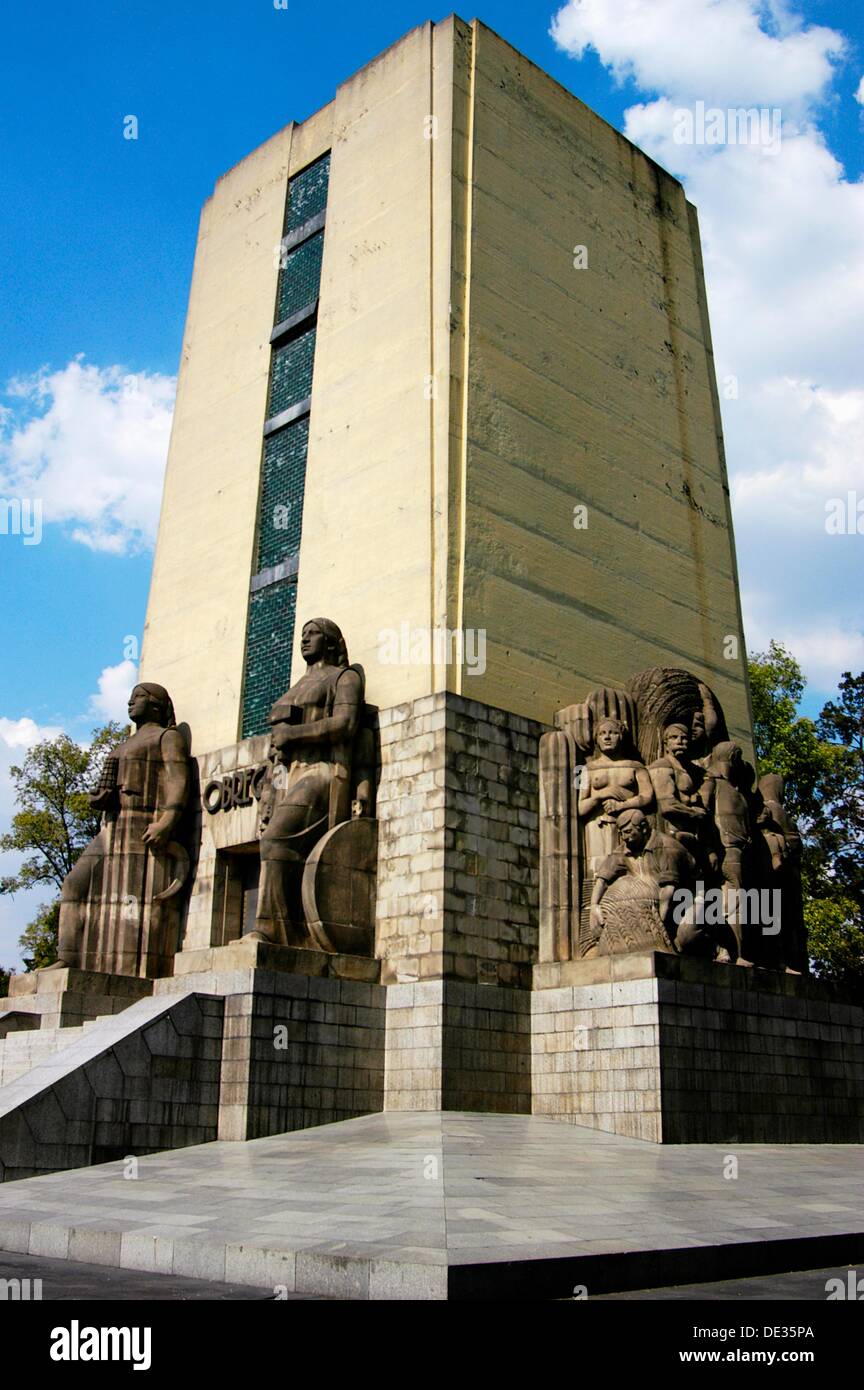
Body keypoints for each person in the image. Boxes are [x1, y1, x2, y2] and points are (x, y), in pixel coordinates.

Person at [50, 683, 189, 974]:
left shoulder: (167, 737)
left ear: (156, 705)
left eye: (137, 697)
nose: (129, 702)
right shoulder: (125, 744)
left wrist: (167, 820)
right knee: (75, 883)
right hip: (113, 826)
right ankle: (68, 956)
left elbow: (178, 778)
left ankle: (126, 970)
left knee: (131, 899)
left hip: (141, 824)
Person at [245, 618, 363, 945]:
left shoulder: (344, 677)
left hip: (321, 770)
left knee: (275, 841)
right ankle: (292, 930)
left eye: (313, 634)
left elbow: (346, 723)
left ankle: (276, 931)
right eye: (302, 635)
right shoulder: (298, 683)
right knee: (276, 845)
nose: (305, 640)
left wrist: (293, 734)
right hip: (287, 772)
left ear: (330, 641)